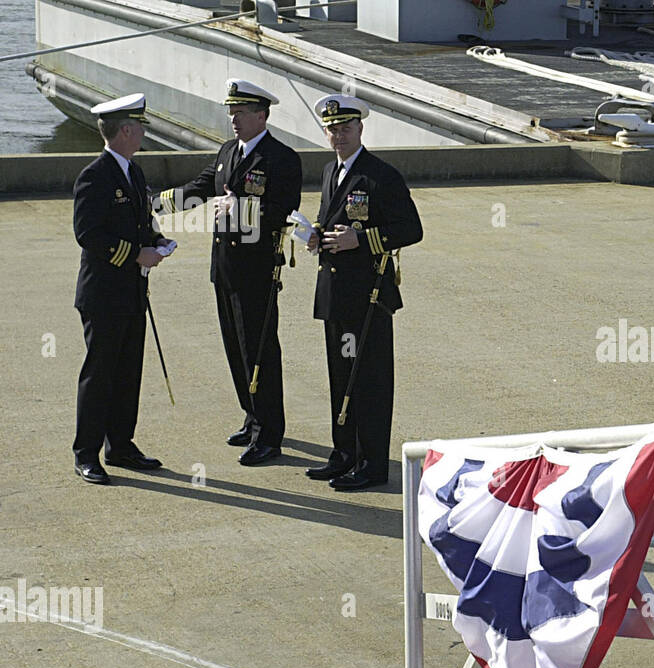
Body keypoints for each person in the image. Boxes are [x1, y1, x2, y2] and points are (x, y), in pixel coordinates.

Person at [155, 79, 302, 466]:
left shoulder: (281, 158)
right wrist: (154, 204)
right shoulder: (227, 152)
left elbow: (285, 212)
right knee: (235, 348)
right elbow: (202, 188)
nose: (233, 119)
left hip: (256, 272)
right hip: (225, 270)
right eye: (231, 112)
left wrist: (243, 212)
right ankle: (252, 416)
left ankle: (270, 434)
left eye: (240, 113)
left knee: (259, 351)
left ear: (261, 115)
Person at [306, 95, 422, 491]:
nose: (338, 135)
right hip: (335, 292)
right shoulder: (329, 171)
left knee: (368, 380)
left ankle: (372, 464)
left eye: (345, 128)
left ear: (360, 129)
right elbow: (331, 218)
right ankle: (344, 453)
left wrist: (363, 240)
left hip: (368, 296)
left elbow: (410, 229)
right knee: (341, 375)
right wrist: (317, 235)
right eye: (332, 129)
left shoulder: (380, 176)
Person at [72, 94, 173, 484]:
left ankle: (120, 445)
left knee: (128, 370)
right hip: (104, 294)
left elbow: (139, 223)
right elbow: (88, 234)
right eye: (141, 126)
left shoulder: (134, 172)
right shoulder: (94, 176)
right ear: (127, 130)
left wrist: (158, 241)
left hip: (132, 291)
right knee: (100, 373)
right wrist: (136, 255)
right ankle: (86, 453)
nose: (144, 132)